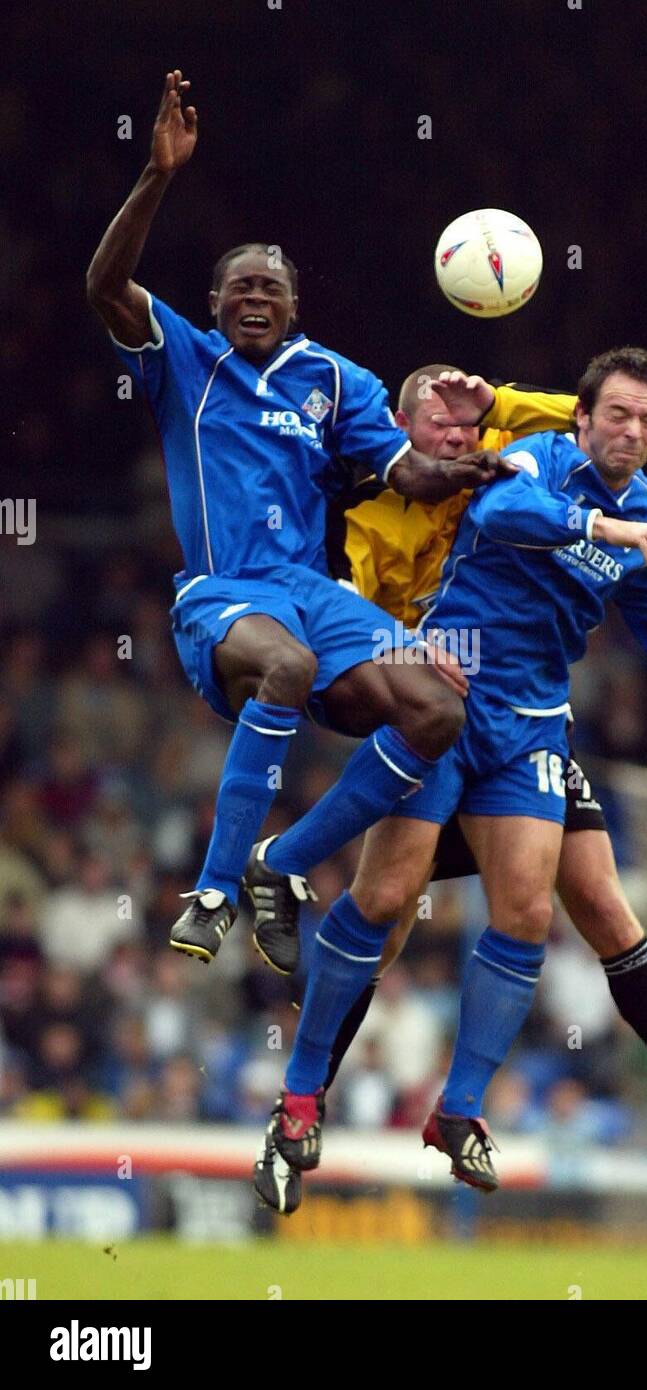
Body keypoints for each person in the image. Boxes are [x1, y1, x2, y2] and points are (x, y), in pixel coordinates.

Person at [253, 346, 647, 1210]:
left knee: (530, 909)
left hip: (533, 726)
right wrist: (601, 529)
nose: (631, 430)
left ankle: (467, 1110)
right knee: (386, 902)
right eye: (616, 414)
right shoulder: (531, 459)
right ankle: (296, 1100)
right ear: (578, 419)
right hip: (446, 695)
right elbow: (510, 513)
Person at [86, 72, 506, 977]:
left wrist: (463, 467)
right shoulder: (184, 362)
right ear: (212, 304)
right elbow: (105, 283)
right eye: (238, 287)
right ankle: (213, 886)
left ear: (293, 305)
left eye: (270, 289)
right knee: (288, 666)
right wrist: (157, 178)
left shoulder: (337, 379)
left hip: (313, 592)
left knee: (440, 706)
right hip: (224, 594)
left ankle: (283, 862)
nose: (253, 299)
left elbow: (406, 471)